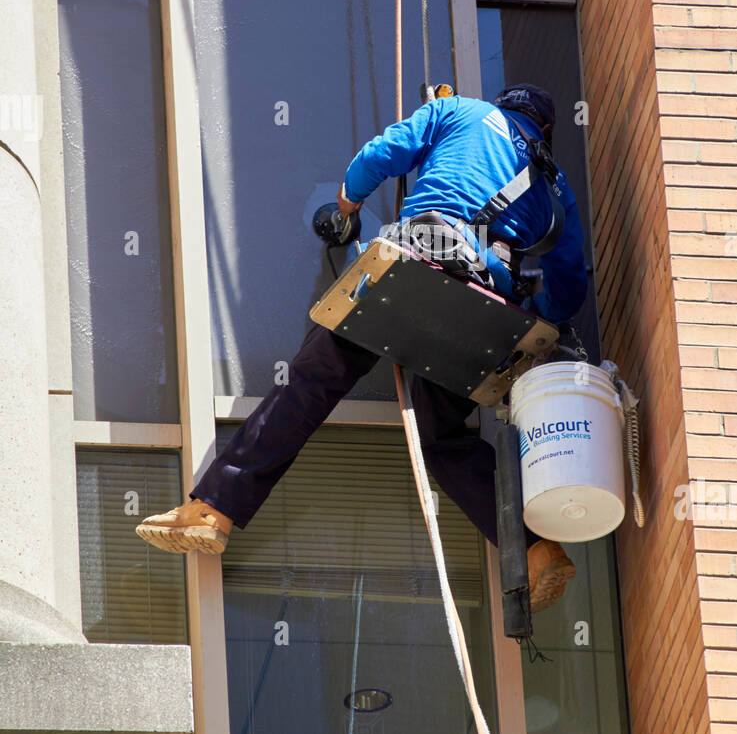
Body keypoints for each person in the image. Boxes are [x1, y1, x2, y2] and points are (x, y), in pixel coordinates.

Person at [137, 84, 589, 612]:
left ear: (503, 105)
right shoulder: (557, 187)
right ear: (546, 130)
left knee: (309, 386)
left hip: (416, 270)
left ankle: (212, 511)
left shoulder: (460, 110)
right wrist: (533, 306)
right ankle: (537, 550)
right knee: (445, 440)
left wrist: (347, 206)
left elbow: (381, 154)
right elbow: (569, 289)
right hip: (486, 317)